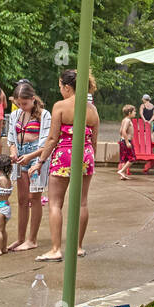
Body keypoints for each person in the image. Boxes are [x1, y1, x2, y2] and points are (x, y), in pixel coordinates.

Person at [35, 69, 99, 261]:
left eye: (61, 86)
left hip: (64, 154)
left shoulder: (60, 106)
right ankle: (77, 247)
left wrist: (40, 161)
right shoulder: (92, 109)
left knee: (55, 203)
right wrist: (89, 157)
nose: (60, 90)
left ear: (68, 87)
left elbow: (53, 138)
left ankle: (56, 249)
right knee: (82, 202)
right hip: (86, 154)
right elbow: (94, 140)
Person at [6, 81, 50, 252]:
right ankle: (20, 238)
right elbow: (11, 138)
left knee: (34, 198)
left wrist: (31, 158)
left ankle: (32, 239)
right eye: (18, 104)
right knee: (22, 199)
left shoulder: (44, 115)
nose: (22, 106)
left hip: (35, 156)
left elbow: (46, 142)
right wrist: (13, 151)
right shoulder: (16, 115)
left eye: (24, 103)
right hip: (20, 156)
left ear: (33, 99)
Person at [117, 104, 136, 180]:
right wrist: (127, 141)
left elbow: (120, 131)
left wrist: (122, 139)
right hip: (126, 142)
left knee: (124, 159)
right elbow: (124, 131)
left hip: (123, 141)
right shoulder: (128, 120)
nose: (135, 113)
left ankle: (123, 175)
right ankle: (122, 171)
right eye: (134, 111)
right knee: (132, 158)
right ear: (129, 113)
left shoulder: (124, 120)